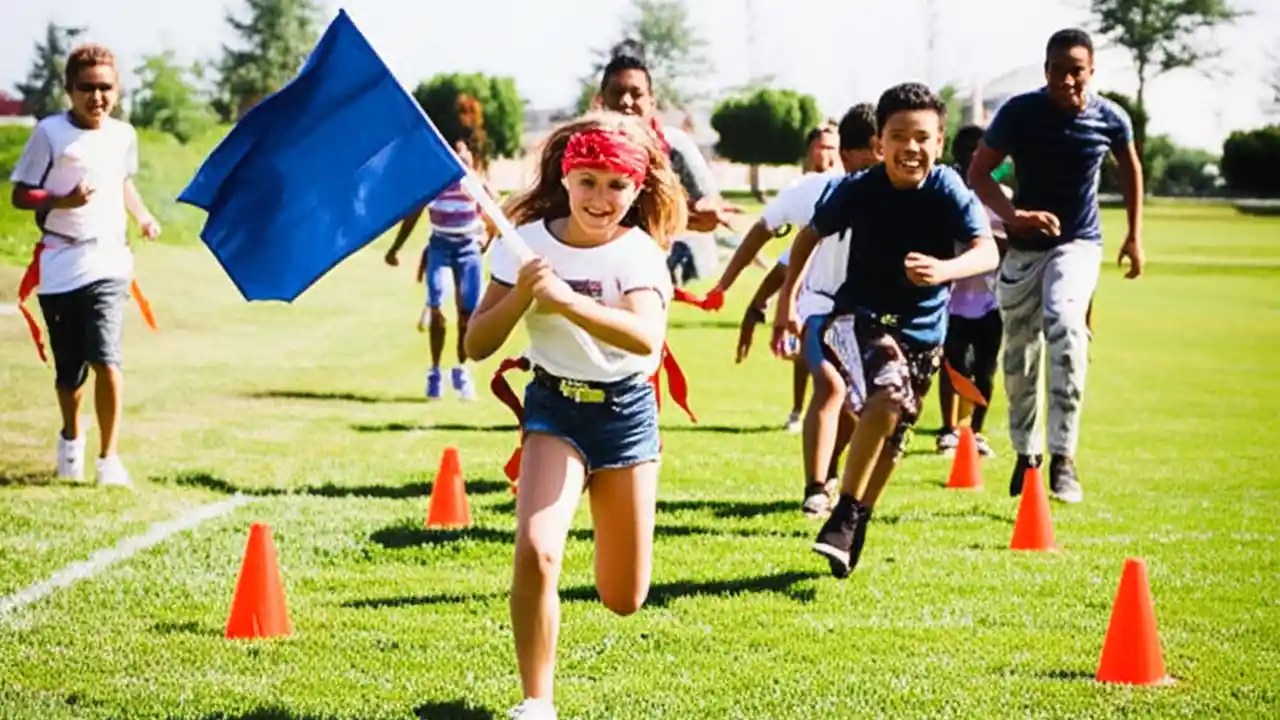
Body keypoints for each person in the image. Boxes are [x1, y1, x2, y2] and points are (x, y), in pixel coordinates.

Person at [463, 112, 686, 720]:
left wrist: (564, 300)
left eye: (617, 185)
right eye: (587, 180)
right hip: (554, 406)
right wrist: (520, 297)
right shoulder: (526, 241)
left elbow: (645, 337)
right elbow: (476, 344)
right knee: (536, 550)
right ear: (565, 176)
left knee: (623, 596)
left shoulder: (640, 255)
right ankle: (537, 701)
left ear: (637, 189)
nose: (600, 197)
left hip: (624, 416)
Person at [775, 83, 999, 578]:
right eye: (898, 136)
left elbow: (988, 251)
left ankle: (856, 518)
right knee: (888, 396)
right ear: (880, 142)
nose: (910, 148)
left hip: (923, 335)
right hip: (859, 318)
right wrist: (787, 301)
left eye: (921, 137)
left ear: (938, 143)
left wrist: (944, 270)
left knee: (895, 434)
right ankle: (844, 511)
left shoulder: (948, 189)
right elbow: (810, 234)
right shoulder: (858, 188)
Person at [967, 28, 1144, 503]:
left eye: (1077, 71)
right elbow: (978, 173)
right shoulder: (1019, 113)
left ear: (1091, 71)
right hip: (1024, 250)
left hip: (1079, 242)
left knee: (1065, 324)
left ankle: (1064, 458)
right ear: (1045, 73)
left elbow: (1130, 168)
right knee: (1019, 356)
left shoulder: (1110, 118)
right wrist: (1012, 217)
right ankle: (1028, 456)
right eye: (1059, 72)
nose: (1069, 81)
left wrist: (1134, 234)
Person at [715, 104, 882, 516]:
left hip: (868, 314)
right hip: (818, 310)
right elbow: (771, 239)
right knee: (831, 387)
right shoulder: (814, 191)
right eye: (881, 148)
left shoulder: (902, 196)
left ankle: (827, 471)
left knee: (861, 404)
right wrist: (731, 289)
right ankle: (814, 487)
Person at [10, 43, 161, 487]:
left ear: (117, 90)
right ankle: (71, 439)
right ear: (69, 90)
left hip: (109, 260)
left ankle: (108, 459)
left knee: (107, 359)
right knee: (69, 370)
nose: (97, 97)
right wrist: (62, 201)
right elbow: (21, 194)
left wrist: (144, 216)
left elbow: (124, 184)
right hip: (60, 260)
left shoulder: (123, 135)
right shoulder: (49, 134)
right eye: (87, 88)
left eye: (106, 88)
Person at [594, 42, 744, 282]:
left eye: (636, 93)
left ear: (652, 101)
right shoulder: (579, 148)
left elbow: (706, 201)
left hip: (657, 265)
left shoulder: (673, 146)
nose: (625, 101)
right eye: (616, 92)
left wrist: (706, 211)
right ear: (600, 100)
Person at [731, 123, 840, 434]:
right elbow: (785, 260)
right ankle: (797, 410)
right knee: (803, 353)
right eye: (822, 146)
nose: (827, 152)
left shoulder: (845, 188)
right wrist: (757, 304)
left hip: (836, 289)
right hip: (804, 292)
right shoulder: (800, 189)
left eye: (833, 147)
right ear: (810, 149)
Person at [385, 137, 492, 400]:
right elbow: (412, 216)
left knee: (467, 315)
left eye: (464, 156)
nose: (459, 160)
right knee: (438, 309)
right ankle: (434, 372)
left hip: (468, 251)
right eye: (454, 155)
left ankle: (462, 371)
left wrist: (484, 241)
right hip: (440, 249)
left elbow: (495, 219)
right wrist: (395, 249)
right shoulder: (435, 186)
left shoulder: (478, 186)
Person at [936, 125, 1007, 458]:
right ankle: (949, 429)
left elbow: (1013, 240)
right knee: (952, 365)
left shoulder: (1003, 195)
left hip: (991, 297)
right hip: (952, 298)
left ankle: (975, 432)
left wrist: (989, 243)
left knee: (985, 368)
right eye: (971, 151)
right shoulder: (948, 194)